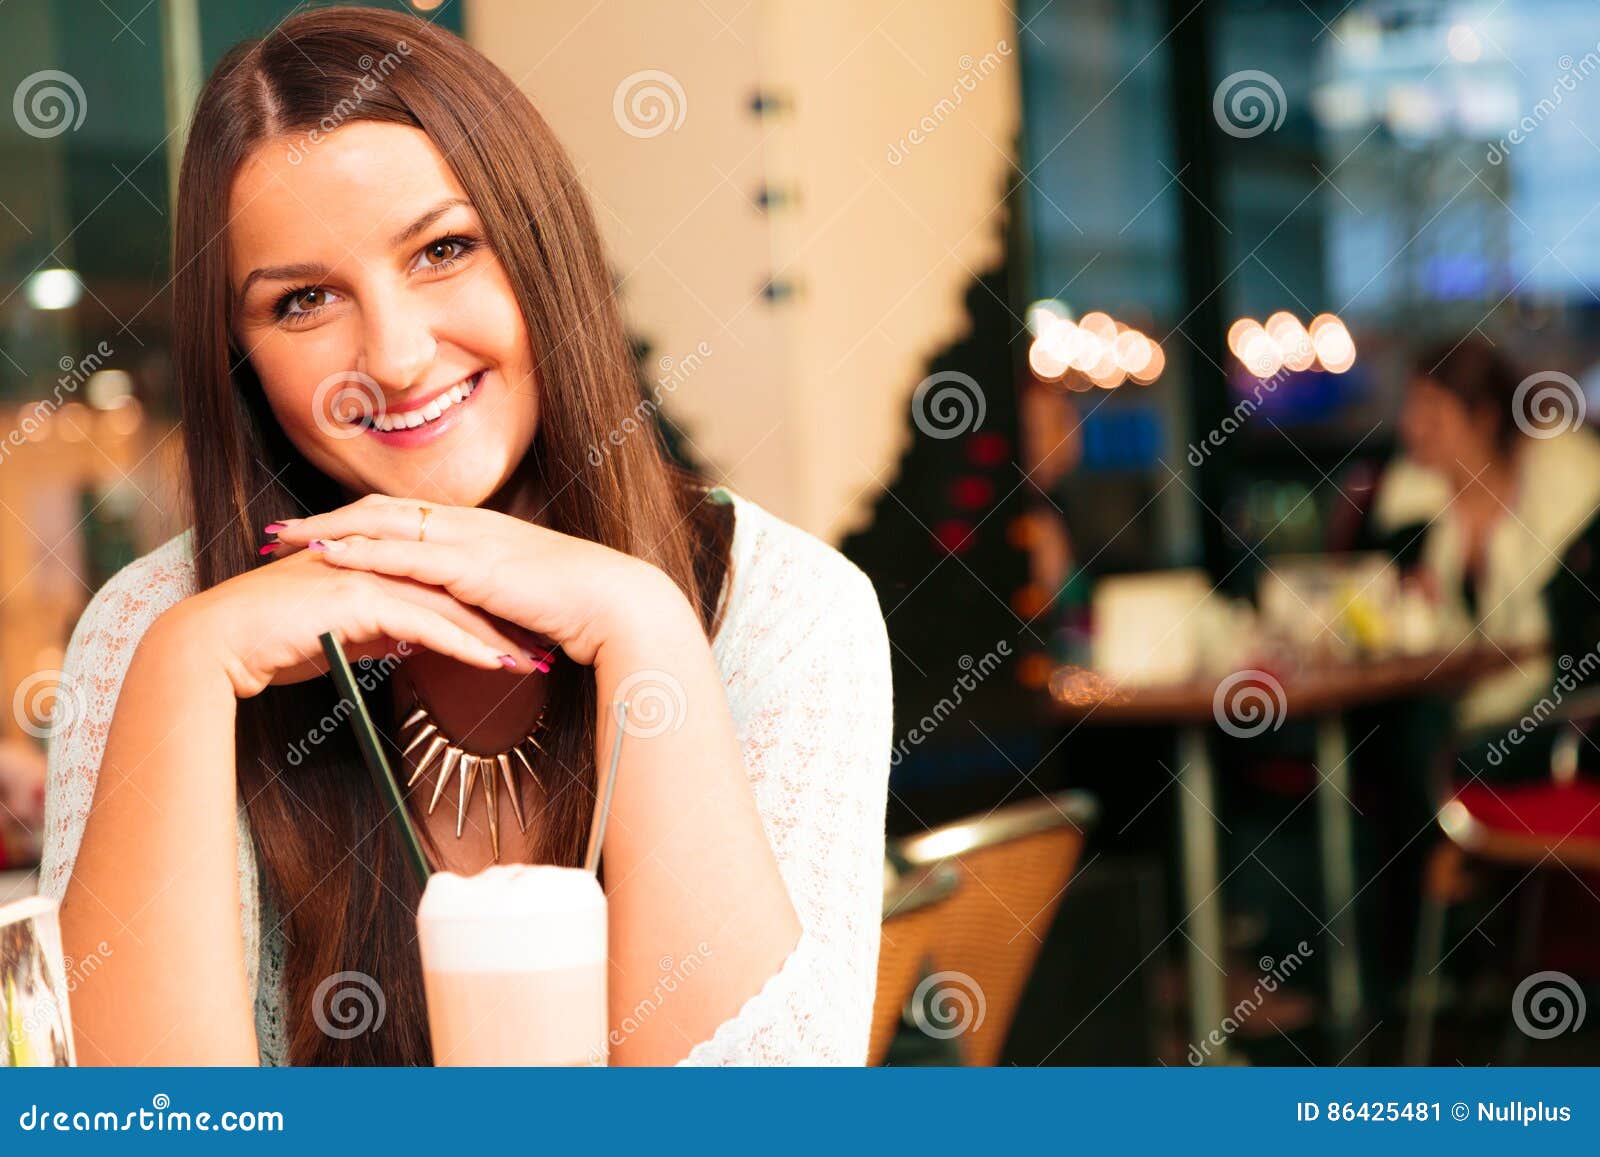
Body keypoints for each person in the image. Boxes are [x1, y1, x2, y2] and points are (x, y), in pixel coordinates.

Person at [41, 8, 891, 1067]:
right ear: (241, 357)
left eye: (443, 250)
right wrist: (184, 663)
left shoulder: (787, 608)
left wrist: (643, 625)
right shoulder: (153, 624)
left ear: (541, 249)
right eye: (303, 300)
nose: (395, 359)